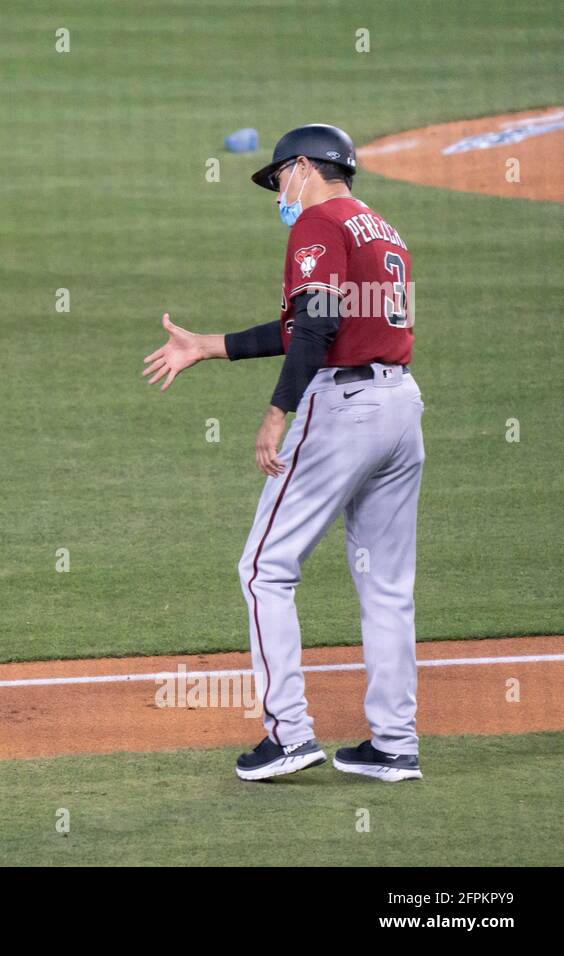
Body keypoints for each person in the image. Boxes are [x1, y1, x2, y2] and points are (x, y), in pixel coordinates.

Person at [142, 124, 424, 782]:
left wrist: (277, 413)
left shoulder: (319, 223)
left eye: (279, 180)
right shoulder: (381, 230)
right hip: (402, 408)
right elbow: (315, 323)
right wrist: (206, 345)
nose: (277, 196)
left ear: (306, 165)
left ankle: (289, 733)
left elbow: (318, 329)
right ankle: (394, 743)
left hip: (345, 411)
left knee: (265, 567)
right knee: (386, 585)